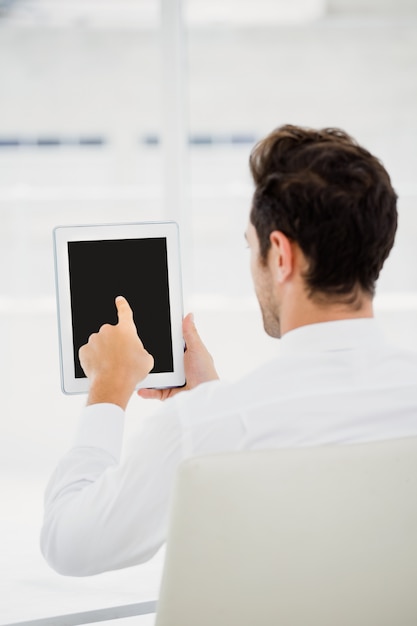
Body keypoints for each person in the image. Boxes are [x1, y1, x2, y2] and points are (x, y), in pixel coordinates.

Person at [41, 124, 417, 577]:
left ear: (280, 255)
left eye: (250, 247)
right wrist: (210, 398)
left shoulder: (202, 429)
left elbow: (68, 543)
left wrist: (108, 389)